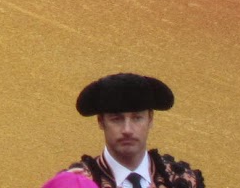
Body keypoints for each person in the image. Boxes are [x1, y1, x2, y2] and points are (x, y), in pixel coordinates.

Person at [46, 73, 204, 188]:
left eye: (137, 118)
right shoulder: (77, 183)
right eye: (116, 119)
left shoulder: (181, 180)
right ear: (101, 121)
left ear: (150, 119)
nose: (127, 130)